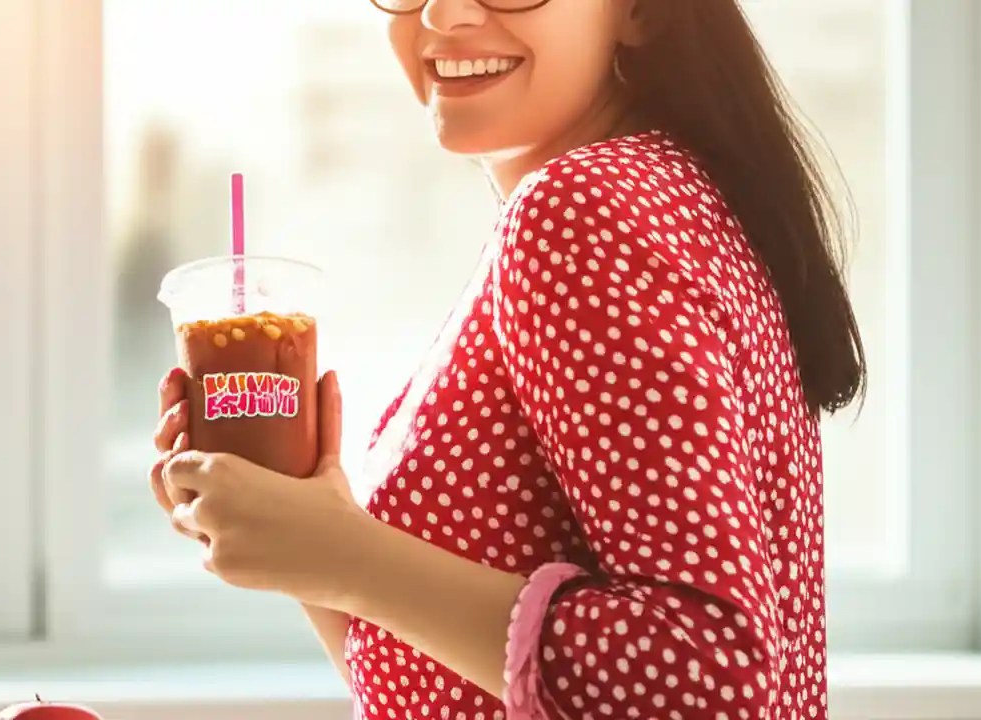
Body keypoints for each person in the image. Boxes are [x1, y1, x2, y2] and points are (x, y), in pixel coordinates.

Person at [148, 0, 865, 717]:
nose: (445, 14)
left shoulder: (580, 211)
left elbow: (703, 679)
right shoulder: (664, 194)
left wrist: (342, 553)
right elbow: (440, 694)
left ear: (641, 11)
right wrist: (306, 540)